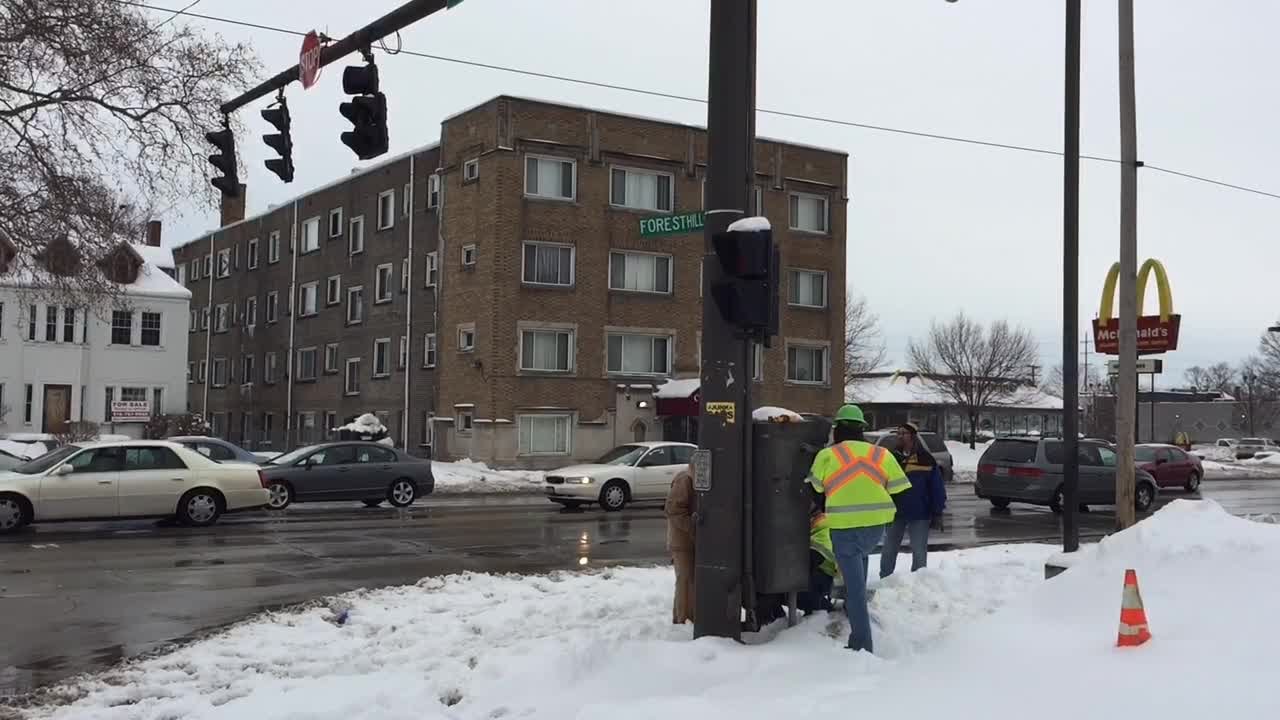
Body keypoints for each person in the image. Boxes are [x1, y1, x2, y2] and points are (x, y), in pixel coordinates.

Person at [806, 404, 910, 652]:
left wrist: (828, 501)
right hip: (874, 529)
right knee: (858, 580)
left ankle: (861, 645)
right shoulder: (881, 454)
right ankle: (858, 629)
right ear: (861, 429)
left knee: (854, 592)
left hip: (844, 529)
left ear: (837, 429)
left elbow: (813, 489)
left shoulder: (828, 455)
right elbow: (901, 491)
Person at [880, 422, 947, 578]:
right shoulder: (891, 458)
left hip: (919, 513)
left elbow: (936, 487)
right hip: (894, 512)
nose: (900, 436)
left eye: (904, 433)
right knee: (889, 549)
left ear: (913, 436)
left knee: (919, 551)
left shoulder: (925, 459)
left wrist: (938, 512)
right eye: (898, 433)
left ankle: (918, 581)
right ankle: (885, 579)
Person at [664, 462, 696, 624]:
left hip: (690, 540)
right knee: (685, 579)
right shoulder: (684, 480)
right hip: (681, 542)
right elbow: (673, 509)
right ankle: (681, 619)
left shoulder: (693, 479)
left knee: (690, 581)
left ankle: (688, 616)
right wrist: (692, 526)